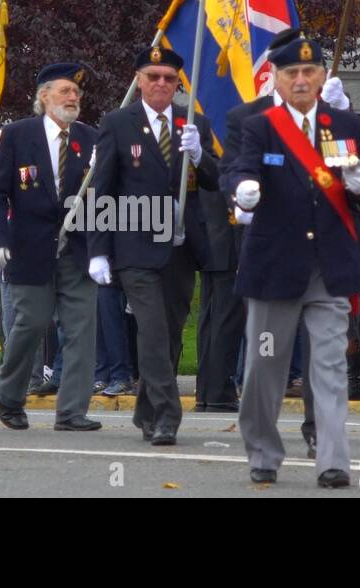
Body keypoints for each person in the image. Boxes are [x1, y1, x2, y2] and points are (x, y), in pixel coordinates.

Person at [226, 35, 360, 487]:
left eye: (310, 72)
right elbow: (239, 170)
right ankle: (264, 452)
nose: (302, 80)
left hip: (329, 268)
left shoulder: (344, 124)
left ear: (323, 75)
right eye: (292, 73)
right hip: (275, 267)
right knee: (264, 369)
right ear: (277, 78)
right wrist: (242, 193)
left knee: (328, 368)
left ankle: (333, 461)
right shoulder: (259, 125)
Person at [90, 47, 219, 445]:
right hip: (136, 245)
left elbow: (216, 180)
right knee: (151, 331)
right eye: (153, 76)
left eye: (169, 77)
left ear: (178, 83)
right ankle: (166, 415)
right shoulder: (118, 123)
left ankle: (146, 409)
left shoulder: (192, 122)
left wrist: (200, 154)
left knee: (172, 332)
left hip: (180, 247)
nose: (161, 83)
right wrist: (97, 249)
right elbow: (102, 189)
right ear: (139, 80)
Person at [0, 63, 101, 432]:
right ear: (44, 96)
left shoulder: (91, 139)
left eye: (77, 93)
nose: (73, 98)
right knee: (31, 323)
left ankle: (71, 412)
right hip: (29, 249)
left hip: (77, 250)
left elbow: (102, 200)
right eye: (65, 91)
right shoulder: (18, 135)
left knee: (81, 329)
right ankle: (9, 391)